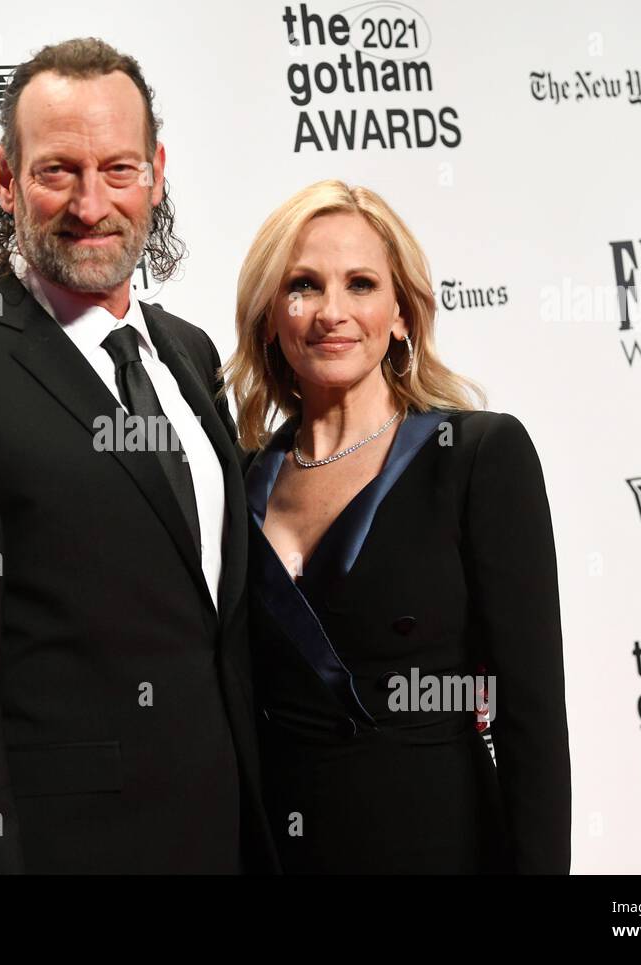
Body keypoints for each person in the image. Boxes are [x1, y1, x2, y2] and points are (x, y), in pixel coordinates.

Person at [0, 37, 278, 873]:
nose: (92, 204)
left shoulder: (189, 356)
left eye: (118, 169)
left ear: (156, 171)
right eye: (58, 172)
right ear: (7, 179)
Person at [222, 179, 571, 873]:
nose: (332, 312)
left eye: (360, 284)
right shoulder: (235, 481)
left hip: (437, 844)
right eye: (303, 285)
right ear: (269, 316)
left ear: (402, 313)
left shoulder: (476, 458)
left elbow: (531, 722)